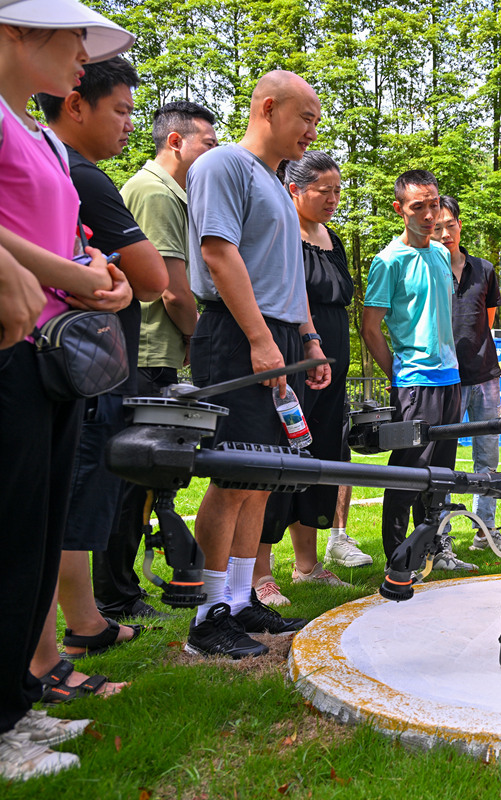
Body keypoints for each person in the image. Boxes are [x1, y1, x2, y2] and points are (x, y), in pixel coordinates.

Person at [0, 0, 135, 779]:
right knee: (12, 540)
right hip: (14, 351)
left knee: (35, 539)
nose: (83, 57)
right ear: (17, 31)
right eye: (72, 37)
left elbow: (61, 232)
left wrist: (100, 276)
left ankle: (16, 704)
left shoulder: (38, 132)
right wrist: (68, 273)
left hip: (55, 357)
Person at [185, 70, 331, 658]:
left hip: (279, 337)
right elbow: (218, 255)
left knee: (262, 479)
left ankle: (242, 602)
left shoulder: (274, 181)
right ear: (268, 108)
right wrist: (260, 339)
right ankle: (206, 614)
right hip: (238, 334)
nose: (312, 130)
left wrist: (308, 340)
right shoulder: (222, 166)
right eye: (306, 117)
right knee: (232, 477)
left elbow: (284, 274)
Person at [32, 57, 168, 671]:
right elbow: (151, 276)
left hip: (76, 359)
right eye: (121, 110)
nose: (127, 125)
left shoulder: (65, 170)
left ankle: (85, 623)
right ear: (75, 103)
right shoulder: (81, 175)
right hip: (76, 364)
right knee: (78, 495)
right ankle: (68, 637)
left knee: (81, 492)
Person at [98, 100, 218, 622]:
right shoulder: (155, 192)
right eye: (207, 145)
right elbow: (170, 290)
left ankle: (121, 590)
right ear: (176, 142)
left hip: (152, 351)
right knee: (130, 478)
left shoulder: (170, 192)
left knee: (142, 481)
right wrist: (199, 338)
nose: (212, 155)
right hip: (142, 353)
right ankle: (116, 595)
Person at [254, 151, 366, 607]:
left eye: (338, 190)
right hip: (296, 354)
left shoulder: (330, 236)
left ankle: (307, 565)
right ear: (295, 189)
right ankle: (260, 572)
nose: (334, 199)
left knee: (318, 457)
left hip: (333, 363)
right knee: (280, 456)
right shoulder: (281, 231)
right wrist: (308, 344)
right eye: (325, 191)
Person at [362, 170, 470, 571]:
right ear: (399, 209)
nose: (428, 214)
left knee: (441, 475)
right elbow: (369, 327)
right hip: (414, 382)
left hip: (451, 380)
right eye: (417, 206)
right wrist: (397, 374)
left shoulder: (443, 254)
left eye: (434, 204)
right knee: (408, 472)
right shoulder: (388, 261)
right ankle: (398, 558)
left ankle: (434, 551)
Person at [434, 194, 501, 554]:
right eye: (437, 227)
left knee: (487, 458)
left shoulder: (485, 270)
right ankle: (441, 533)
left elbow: (487, 321)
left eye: (450, 225)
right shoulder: (428, 270)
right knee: (443, 459)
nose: (445, 232)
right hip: (445, 380)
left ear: (459, 225)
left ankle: (486, 530)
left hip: (485, 377)